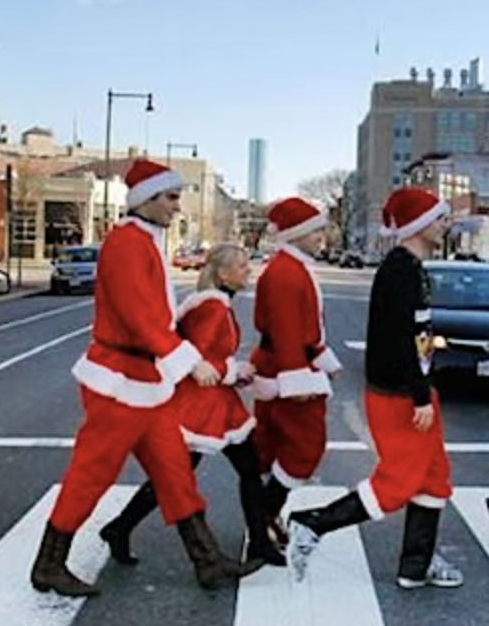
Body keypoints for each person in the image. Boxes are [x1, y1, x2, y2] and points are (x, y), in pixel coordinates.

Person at [29, 160, 252, 597]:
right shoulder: (127, 243)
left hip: (146, 381)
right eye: (170, 197)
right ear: (145, 199)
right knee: (92, 474)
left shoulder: (144, 241)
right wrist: (190, 361)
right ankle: (48, 564)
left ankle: (207, 561)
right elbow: (138, 317)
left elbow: (152, 319)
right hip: (119, 381)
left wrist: (176, 361)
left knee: (175, 472)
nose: (176, 205)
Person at [287, 188, 463, 589]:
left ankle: (415, 567)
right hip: (399, 394)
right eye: (438, 218)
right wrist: (419, 394)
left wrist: (424, 387)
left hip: (412, 389)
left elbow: (416, 336)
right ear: (418, 225)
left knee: (434, 477)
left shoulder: (411, 267)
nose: (444, 224)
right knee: (398, 481)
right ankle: (311, 524)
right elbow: (401, 339)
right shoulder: (400, 270)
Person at [98, 243, 284, 568]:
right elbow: (193, 357)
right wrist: (233, 371)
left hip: (215, 401)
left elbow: (205, 355)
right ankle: (119, 528)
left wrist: (231, 373)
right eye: (242, 265)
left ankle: (258, 541)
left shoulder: (215, 304)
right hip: (201, 407)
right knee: (178, 478)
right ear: (223, 273)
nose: (248, 270)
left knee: (241, 469)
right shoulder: (212, 308)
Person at [249, 197, 342, 544]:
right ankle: (265, 512)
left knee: (271, 446)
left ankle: (263, 514)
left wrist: (321, 358)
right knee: (304, 447)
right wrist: (299, 377)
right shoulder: (286, 273)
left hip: (284, 367)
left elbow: (303, 329)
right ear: (296, 233)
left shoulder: (290, 268)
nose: (322, 235)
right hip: (288, 371)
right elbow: (287, 331)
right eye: (316, 229)